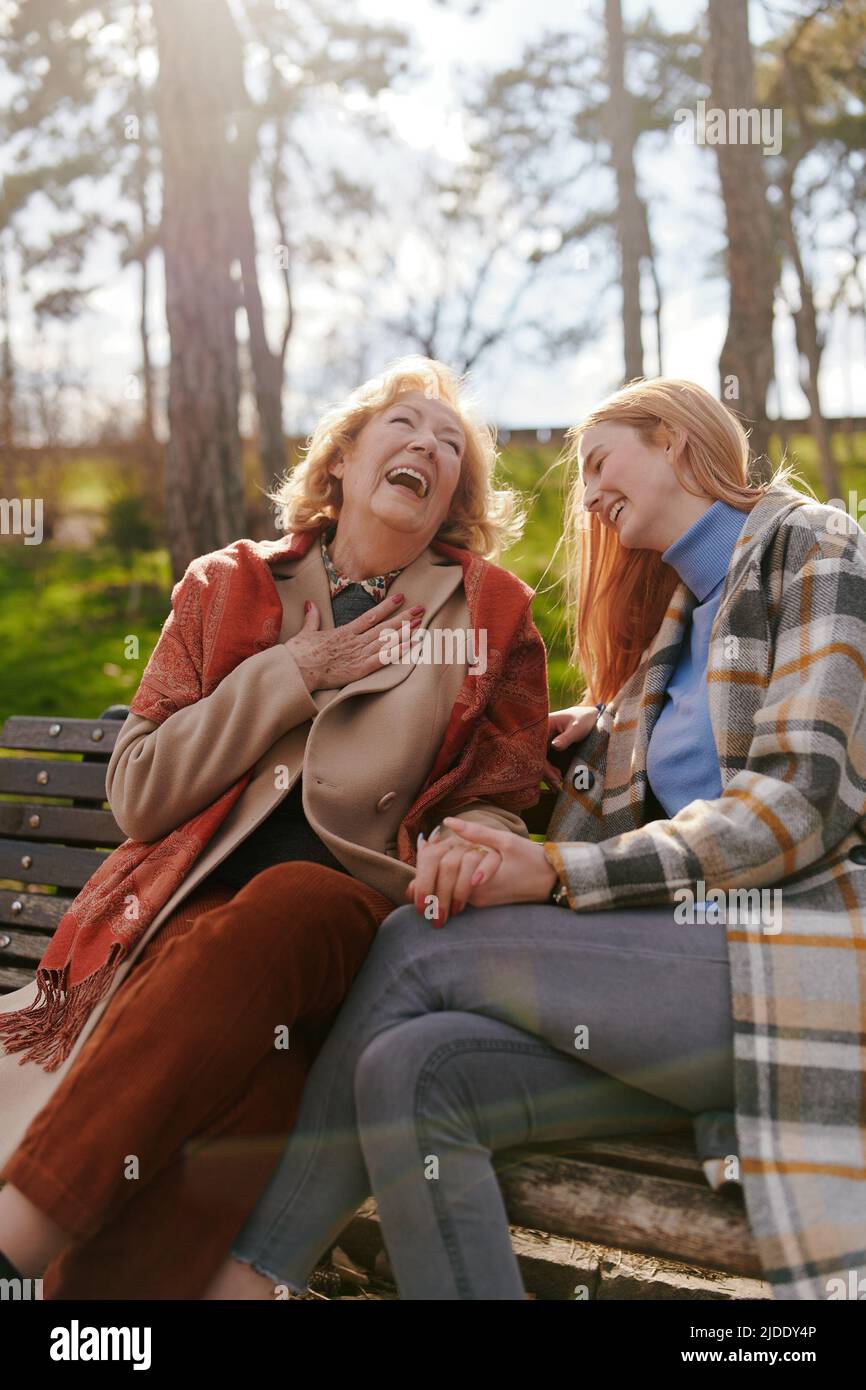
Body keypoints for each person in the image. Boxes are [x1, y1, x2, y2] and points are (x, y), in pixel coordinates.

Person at [204, 377, 866, 1302]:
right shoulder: (679, 630)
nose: (587, 495)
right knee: (412, 1072)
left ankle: (246, 1277)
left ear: (675, 439)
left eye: (599, 463)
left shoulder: (817, 547)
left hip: (798, 968)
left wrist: (557, 871)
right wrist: (586, 732)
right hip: (694, 1006)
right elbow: (692, 737)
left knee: (414, 944)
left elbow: (800, 802)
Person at [0, 355, 549, 1299]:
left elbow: (500, 786)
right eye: (404, 427)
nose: (428, 446)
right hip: (180, 924)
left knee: (284, 905)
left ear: (454, 493)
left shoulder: (489, 615)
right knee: (253, 1080)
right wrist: (295, 671)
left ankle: (9, 1237)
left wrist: (473, 835)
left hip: (345, 925)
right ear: (340, 461)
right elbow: (137, 792)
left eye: (449, 445)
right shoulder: (228, 587)